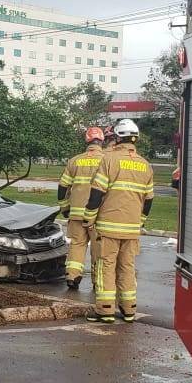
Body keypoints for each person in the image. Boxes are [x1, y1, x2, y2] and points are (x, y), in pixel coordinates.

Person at [83, 119, 154, 324]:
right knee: (127, 267)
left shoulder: (109, 160)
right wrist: (139, 221)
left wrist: (89, 218)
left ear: (117, 137)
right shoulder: (145, 165)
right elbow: (148, 200)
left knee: (106, 266)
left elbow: (97, 193)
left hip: (108, 226)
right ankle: (129, 309)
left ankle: (105, 310)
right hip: (132, 229)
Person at [58, 127, 105, 289]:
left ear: (87, 141)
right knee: (98, 248)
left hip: (76, 213)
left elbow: (63, 186)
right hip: (99, 214)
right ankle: (97, 281)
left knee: (77, 244)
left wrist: (64, 208)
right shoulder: (107, 160)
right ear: (102, 141)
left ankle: (72, 276)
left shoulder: (75, 160)